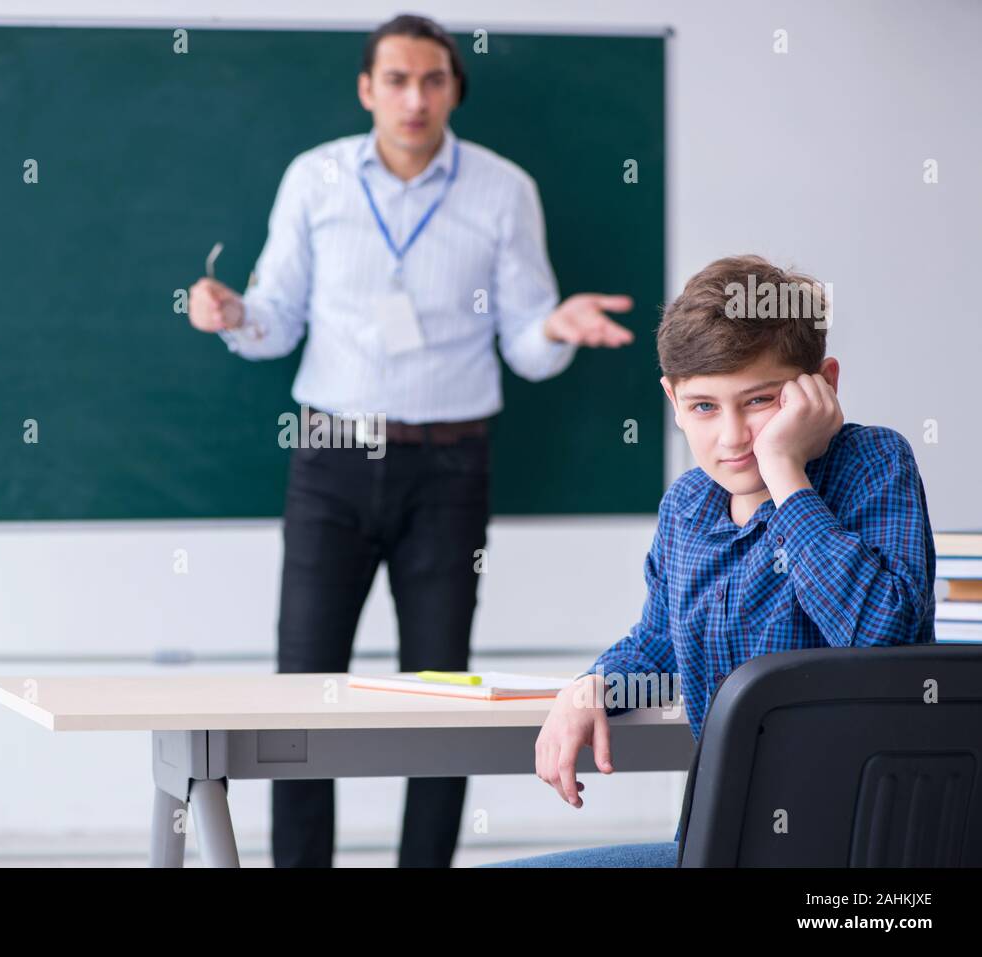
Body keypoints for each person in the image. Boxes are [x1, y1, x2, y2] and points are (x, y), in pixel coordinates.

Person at [186, 14, 635, 867]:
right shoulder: (314, 179)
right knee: (304, 694)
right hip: (329, 462)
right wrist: (234, 315)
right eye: (396, 80)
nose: (415, 97)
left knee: (442, 693)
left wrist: (559, 326)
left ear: (454, 90)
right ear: (367, 89)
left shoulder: (502, 189)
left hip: (450, 465)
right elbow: (275, 322)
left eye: (433, 80)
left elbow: (524, 346)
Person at [488, 254, 936, 867]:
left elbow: (877, 639)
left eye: (760, 402)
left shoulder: (871, 463)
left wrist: (786, 473)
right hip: (725, 835)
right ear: (672, 399)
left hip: (857, 844)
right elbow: (656, 645)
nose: (732, 437)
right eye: (704, 407)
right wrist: (589, 688)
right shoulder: (688, 508)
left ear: (824, 384)